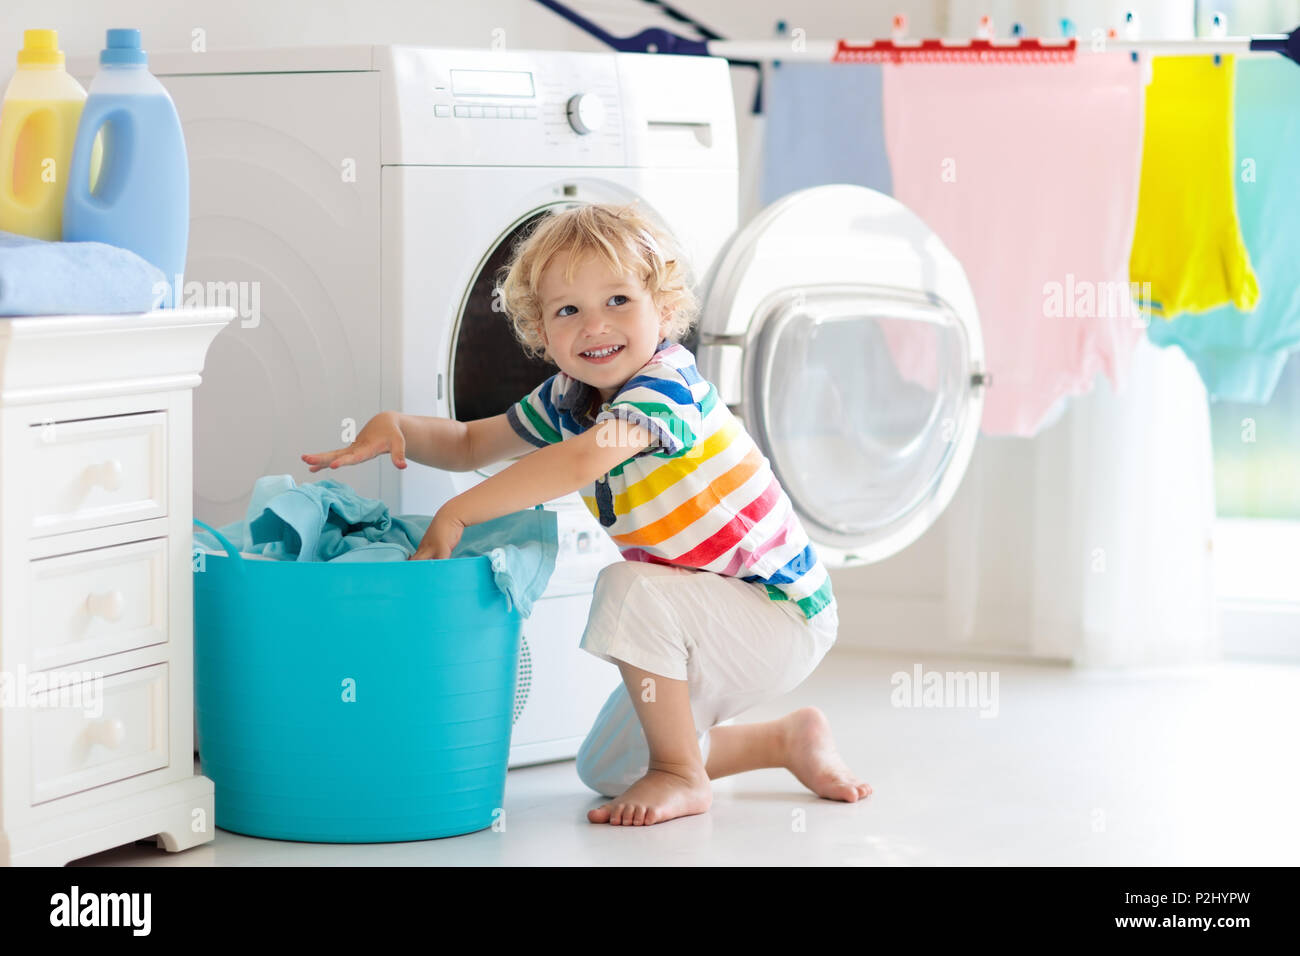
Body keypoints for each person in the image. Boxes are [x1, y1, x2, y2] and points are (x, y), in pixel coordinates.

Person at [303, 202, 871, 826]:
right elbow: (470, 445)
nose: (595, 326)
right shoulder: (568, 399)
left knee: (626, 588)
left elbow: (581, 463)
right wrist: (401, 429)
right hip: (706, 613)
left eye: (619, 301)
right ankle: (784, 740)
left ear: (665, 308)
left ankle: (683, 775)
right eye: (568, 310)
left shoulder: (667, 385)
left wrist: (457, 515)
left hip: (779, 613)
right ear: (542, 334)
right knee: (605, 768)